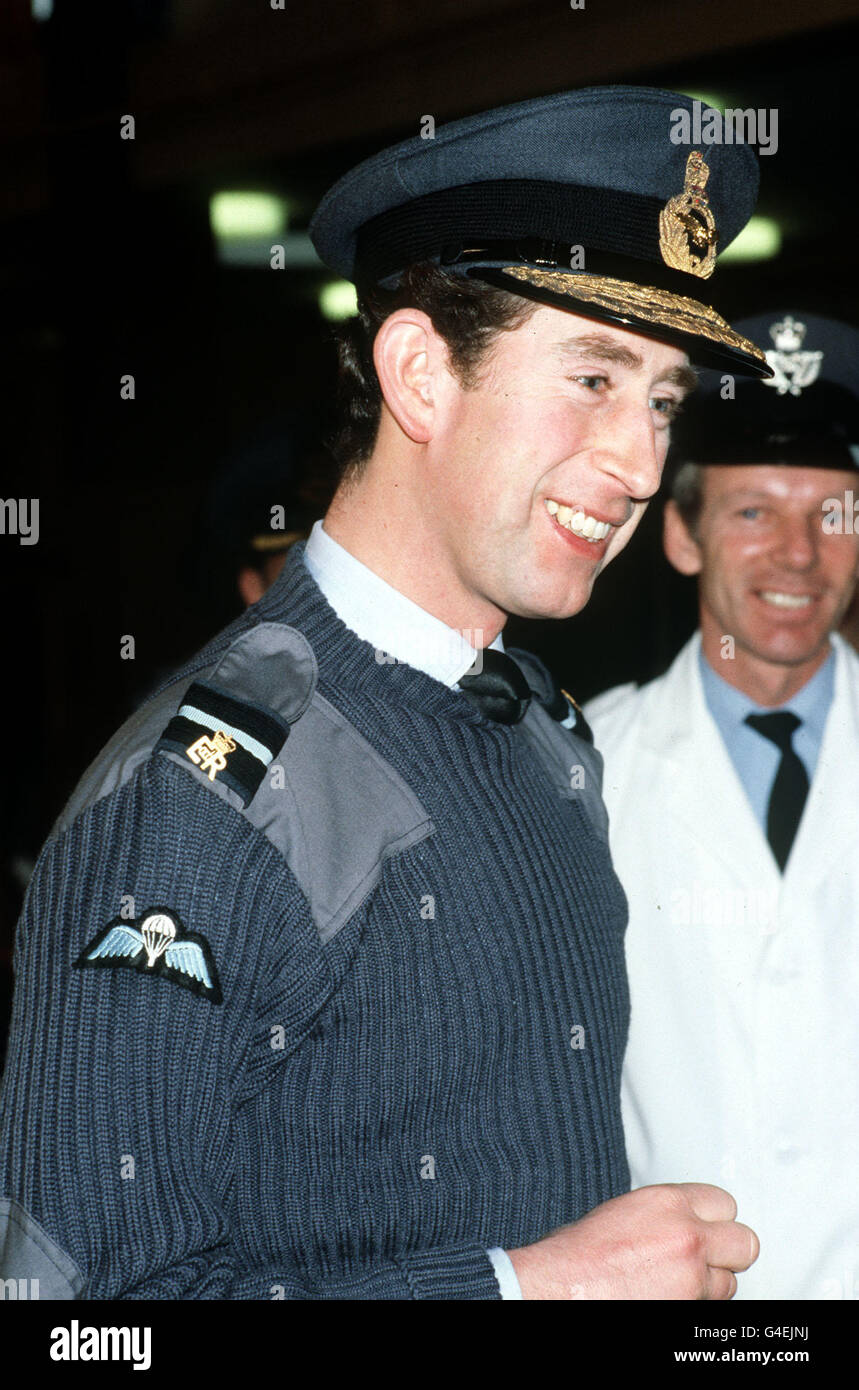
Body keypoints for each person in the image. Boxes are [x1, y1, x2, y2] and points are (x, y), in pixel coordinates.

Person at [0, 87, 767, 1300]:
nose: (640, 464)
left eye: (663, 398)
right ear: (418, 373)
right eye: (592, 377)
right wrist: (528, 1289)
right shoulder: (199, 803)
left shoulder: (541, 736)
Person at [586, 311, 859, 1300]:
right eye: (752, 512)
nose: (799, 553)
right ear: (680, 534)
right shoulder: (582, 774)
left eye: (835, 513)